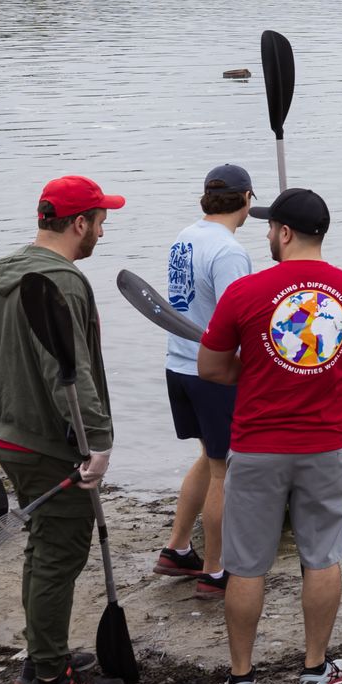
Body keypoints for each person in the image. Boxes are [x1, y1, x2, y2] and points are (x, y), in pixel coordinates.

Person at [198, 188, 342, 684]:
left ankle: (241, 681)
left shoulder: (245, 293)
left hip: (257, 447)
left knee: (246, 566)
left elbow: (210, 368)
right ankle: (313, 669)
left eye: (269, 229)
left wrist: (255, 371)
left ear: (283, 233)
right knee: (322, 556)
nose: (265, 236)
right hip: (326, 445)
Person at [0, 176, 128, 684]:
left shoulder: (4, 271)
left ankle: (43, 654)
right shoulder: (60, 282)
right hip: (47, 440)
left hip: (6, 430)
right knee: (61, 551)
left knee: (44, 547)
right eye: (100, 221)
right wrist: (99, 441)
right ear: (78, 223)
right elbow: (68, 371)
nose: (103, 232)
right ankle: (48, 677)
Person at [156, 165, 255, 600]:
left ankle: (177, 549)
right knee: (224, 469)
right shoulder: (230, 251)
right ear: (247, 200)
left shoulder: (184, 236)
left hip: (178, 366)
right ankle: (215, 571)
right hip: (212, 372)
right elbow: (242, 318)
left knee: (208, 456)